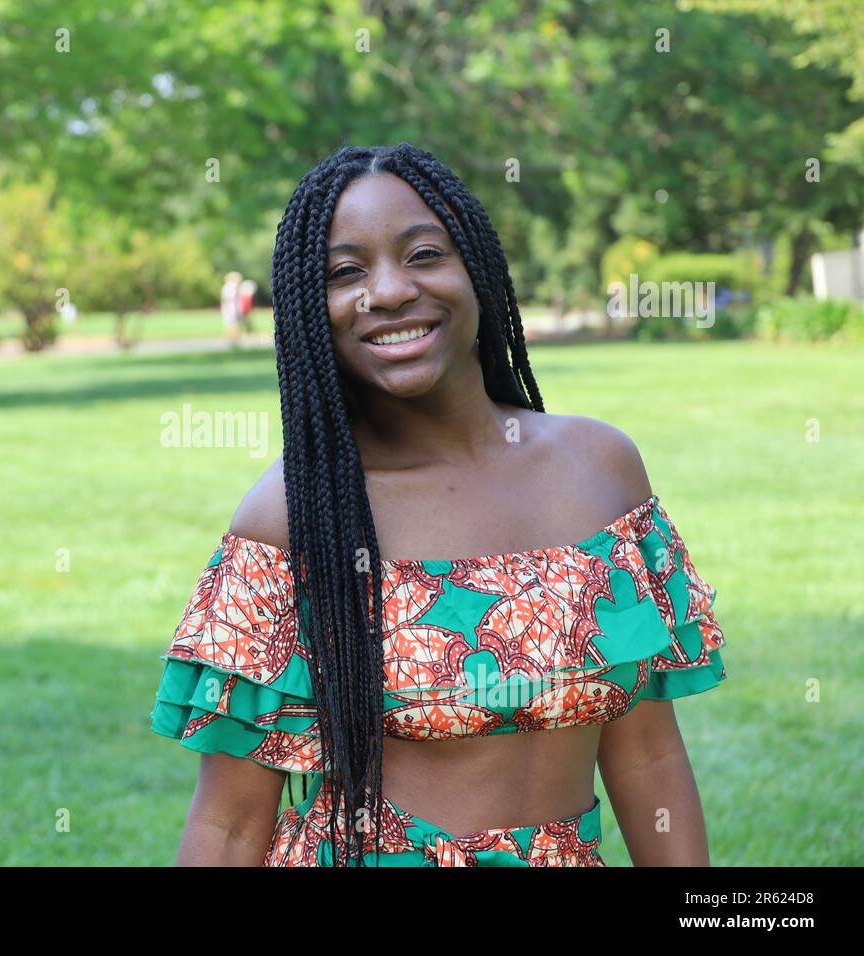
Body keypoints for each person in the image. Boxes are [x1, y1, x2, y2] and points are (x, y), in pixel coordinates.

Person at [149, 143, 729, 867]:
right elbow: (228, 826)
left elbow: (648, 758)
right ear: (308, 307)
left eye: (424, 255)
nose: (388, 291)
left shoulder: (599, 473)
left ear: (478, 272)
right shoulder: (290, 519)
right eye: (345, 272)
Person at [220, 271, 243, 345]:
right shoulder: (230, 287)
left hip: (232, 309)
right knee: (232, 324)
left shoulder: (230, 287)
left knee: (232, 324)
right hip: (231, 309)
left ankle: (233, 339)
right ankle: (233, 339)